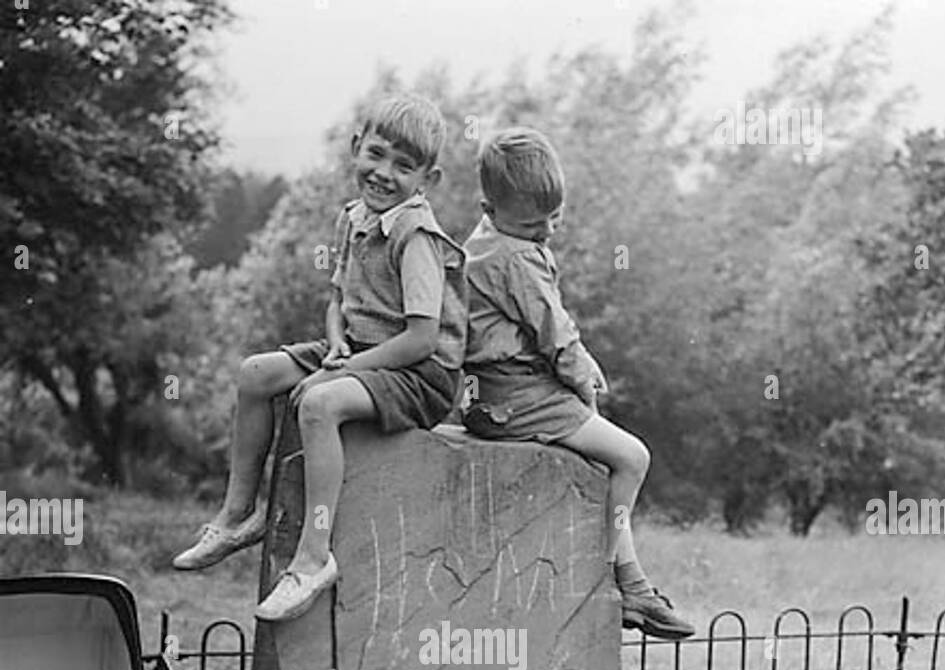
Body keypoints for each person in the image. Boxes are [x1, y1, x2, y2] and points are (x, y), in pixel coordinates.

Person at [173, 93, 467, 624]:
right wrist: (335, 344)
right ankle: (238, 513)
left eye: (404, 167)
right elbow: (337, 298)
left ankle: (313, 556)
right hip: (358, 349)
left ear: (429, 179)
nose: (383, 174)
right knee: (256, 373)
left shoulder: (416, 236)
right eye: (375, 155)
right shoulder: (353, 218)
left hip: (418, 374)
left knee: (318, 403)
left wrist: (347, 369)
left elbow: (422, 340)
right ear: (356, 148)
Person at [461, 126, 693, 642]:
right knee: (632, 457)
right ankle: (607, 577)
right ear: (491, 208)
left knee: (598, 459)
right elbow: (553, 331)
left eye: (553, 218)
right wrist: (582, 372)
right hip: (519, 397)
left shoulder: (481, 243)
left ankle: (634, 583)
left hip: (491, 398)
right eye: (531, 223)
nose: (545, 231)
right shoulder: (514, 256)